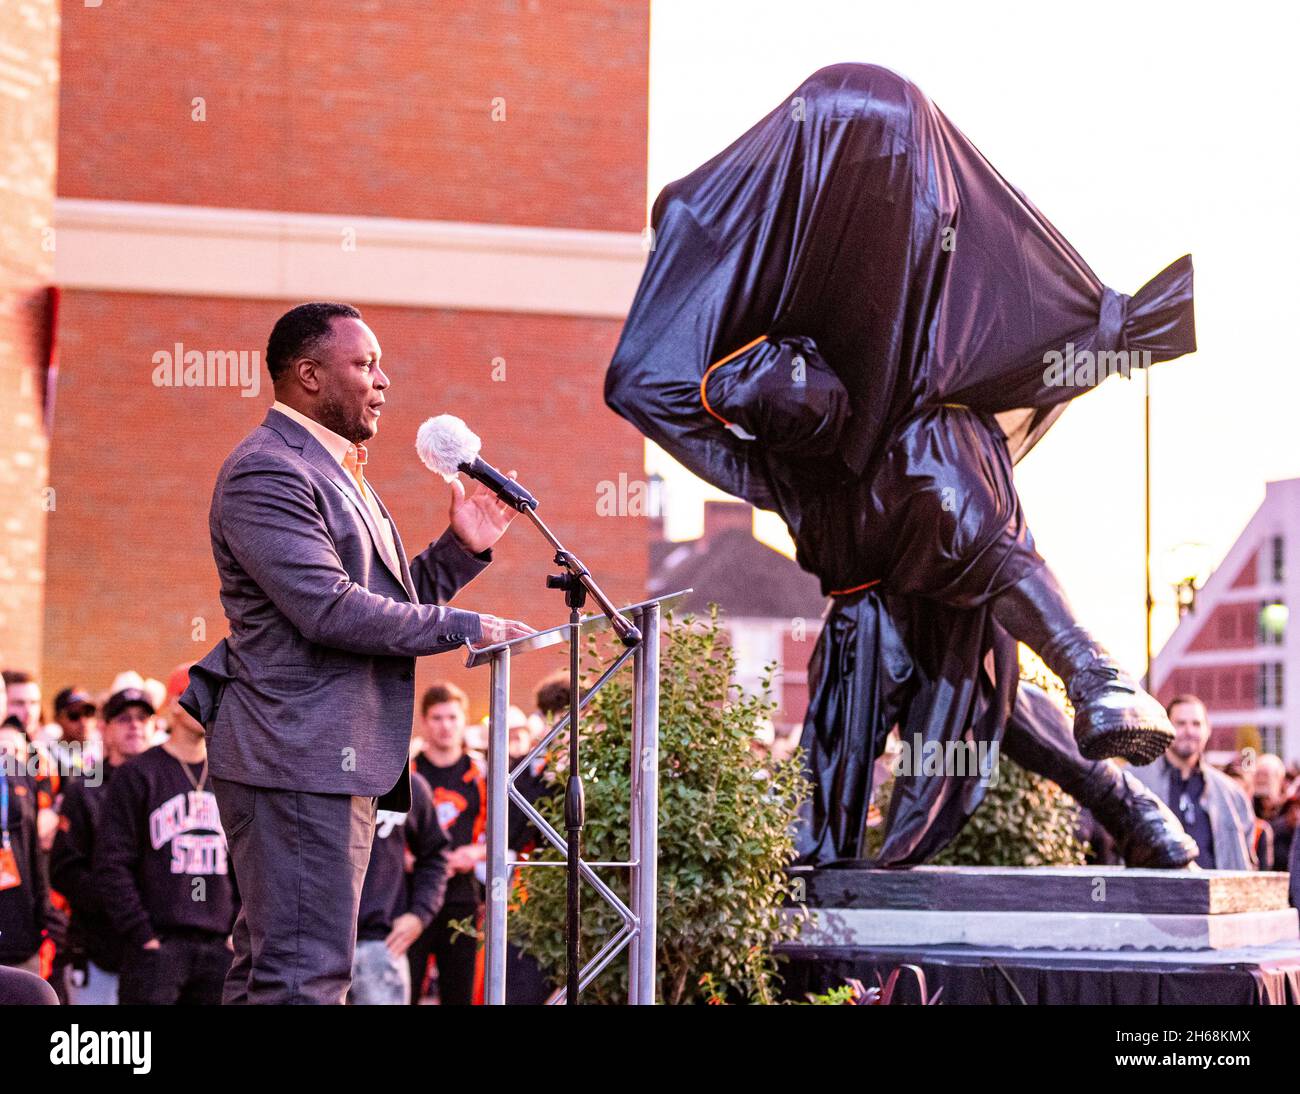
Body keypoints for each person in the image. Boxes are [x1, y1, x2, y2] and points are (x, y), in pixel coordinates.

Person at [179, 302, 533, 1005]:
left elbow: (387, 606)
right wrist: (470, 626)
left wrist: (460, 551)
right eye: (365, 364)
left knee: (278, 972)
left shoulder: (341, 473)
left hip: (323, 761)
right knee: (302, 979)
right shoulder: (268, 471)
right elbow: (329, 609)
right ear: (308, 375)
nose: (384, 381)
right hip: (297, 758)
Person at [93, 683, 237, 1004]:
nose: (212, 705)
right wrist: (141, 933)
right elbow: (112, 863)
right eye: (203, 695)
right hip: (159, 945)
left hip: (218, 947)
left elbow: (248, 860)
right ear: (175, 704)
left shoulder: (229, 774)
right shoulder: (139, 773)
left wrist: (234, 929)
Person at [50, 677, 157, 1003]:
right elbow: (64, 870)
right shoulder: (84, 790)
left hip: (161, 951)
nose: (134, 726)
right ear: (104, 728)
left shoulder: (169, 784)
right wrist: (122, 903)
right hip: (100, 949)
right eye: (123, 718)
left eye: (142, 718)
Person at [409, 682, 486, 1005]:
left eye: (453, 717)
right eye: (437, 718)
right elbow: (385, 830)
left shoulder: (480, 772)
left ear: (463, 719)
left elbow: (500, 833)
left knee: (461, 992)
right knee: (403, 989)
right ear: (425, 721)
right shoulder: (408, 772)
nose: (446, 726)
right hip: (411, 896)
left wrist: (477, 853)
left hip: (462, 898)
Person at [349, 766, 448, 1005]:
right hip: (315, 941)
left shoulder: (408, 785)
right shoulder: (313, 775)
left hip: (381, 944)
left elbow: (434, 856)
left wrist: (419, 914)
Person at [1130, 695, 1255, 870]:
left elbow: (1245, 853)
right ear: (1165, 727)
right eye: (1181, 723)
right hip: (1153, 893)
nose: (1189, 731)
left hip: (1214, 894)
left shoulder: (1230, 793)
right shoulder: (1136, 782)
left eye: (1196, 724)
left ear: (1208, 730)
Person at [0, 714, 48, 977]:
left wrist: (45, 911)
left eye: (15, 753)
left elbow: (35, 857)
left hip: (21, 937)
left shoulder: (26, 784)